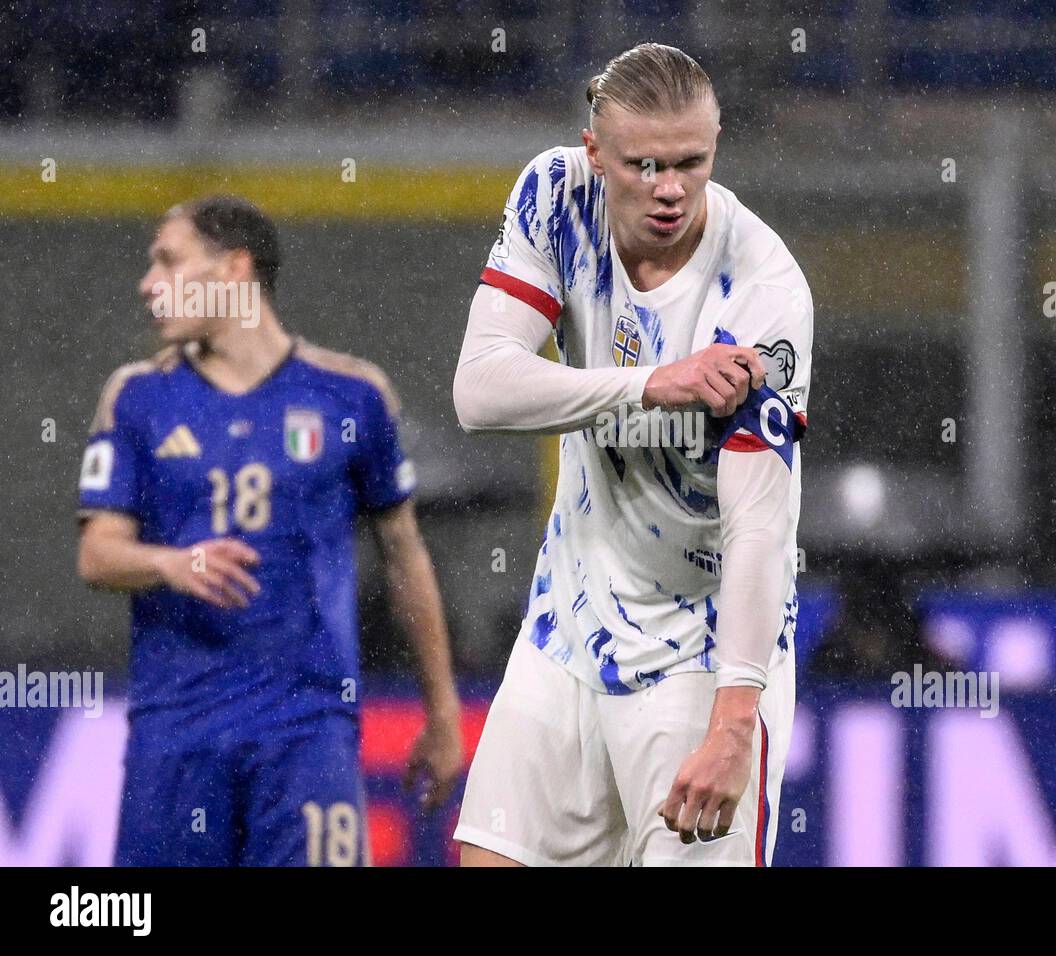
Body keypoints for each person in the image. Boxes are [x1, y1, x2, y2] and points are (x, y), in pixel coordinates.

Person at [452, 43, 813, 866]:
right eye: (644, 164)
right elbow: (480, 391)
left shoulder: (764, 293)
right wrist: (653, 384)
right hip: (567, 621)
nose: (671, 187)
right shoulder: (556, 194)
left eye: (692, 162)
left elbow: (761, 524)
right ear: (594, 153)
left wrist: (733, 727)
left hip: (701, 652)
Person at [77, 195, 462, 865]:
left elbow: (404, 555)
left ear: (233, 271)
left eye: (167, 262)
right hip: (175, 733)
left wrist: (443, 709)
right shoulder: (136, 395)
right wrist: (171, 565)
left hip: (307, 733)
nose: (147, 284)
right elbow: (95, 555)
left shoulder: (353, 396)